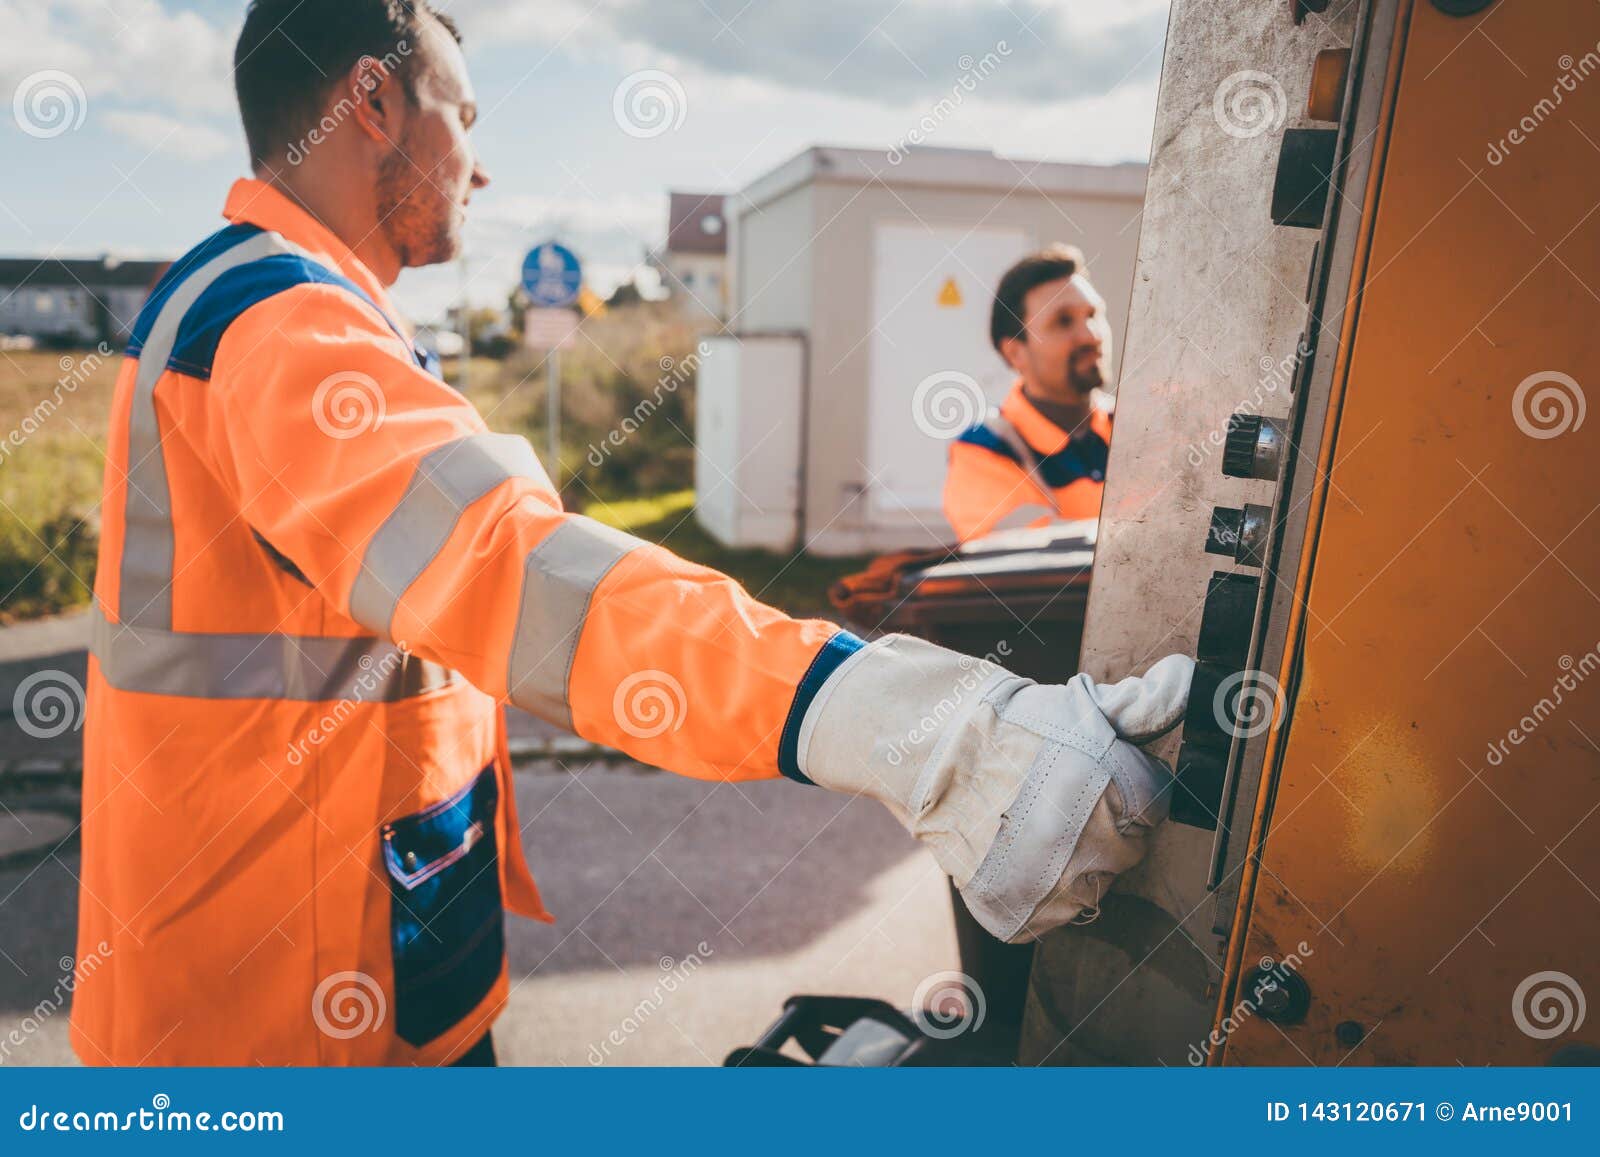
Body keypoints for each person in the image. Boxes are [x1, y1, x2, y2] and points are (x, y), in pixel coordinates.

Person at [71, 0, 1193, 1066]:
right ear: (371, 102)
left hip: (330, 972)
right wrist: (917, 729)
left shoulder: (267, 308)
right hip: (282, 1021)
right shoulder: (278, 325)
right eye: (464, 114)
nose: (483, 159)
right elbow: (521, 572)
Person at [943, 247, 1117, 542]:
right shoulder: (985, 449)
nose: (1091, 335)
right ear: (1015, 353)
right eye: (1063, 321)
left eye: (1093, 314)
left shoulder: (1140, 427)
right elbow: (1037, 567)